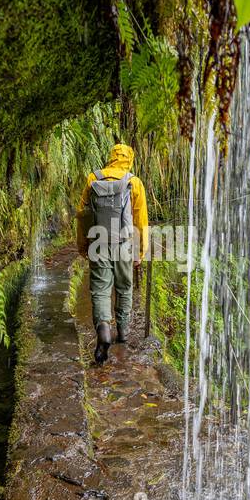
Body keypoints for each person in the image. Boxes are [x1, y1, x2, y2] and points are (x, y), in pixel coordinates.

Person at [76, 143, 148, 363]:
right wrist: (140, 252)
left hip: (99, 242)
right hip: (125, 243)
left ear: (111, 157)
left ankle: (104, 329)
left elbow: (82, 215)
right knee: (124, 287)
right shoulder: (133, 182)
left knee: (100, 289)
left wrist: (83, 245)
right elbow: (140, 221)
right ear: (130, 159)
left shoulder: (93, 179)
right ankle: (123, 333)